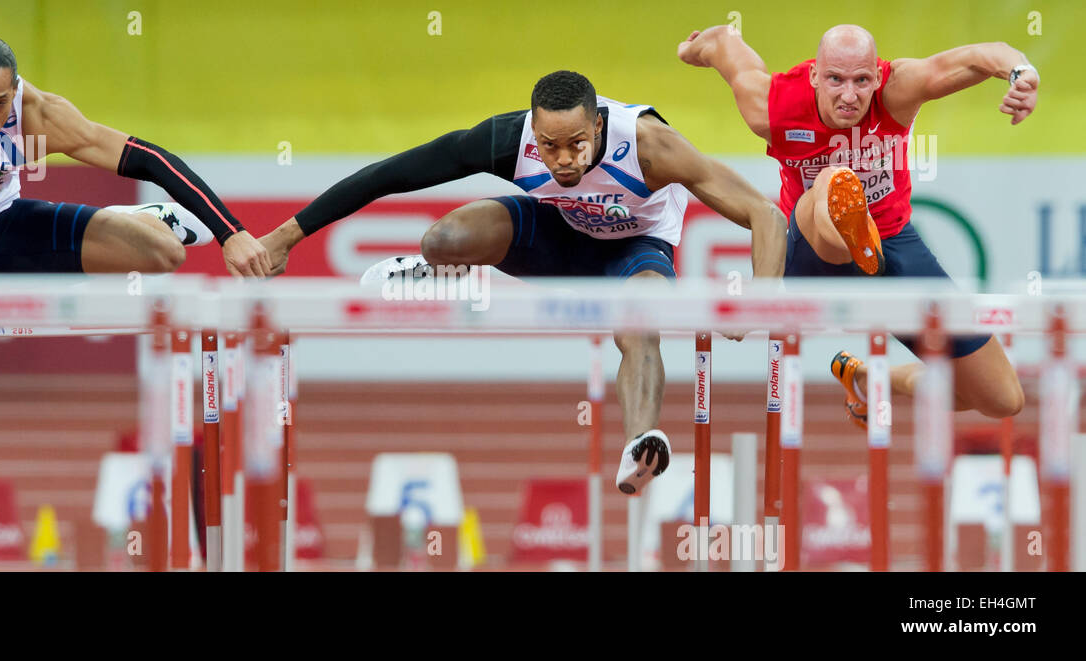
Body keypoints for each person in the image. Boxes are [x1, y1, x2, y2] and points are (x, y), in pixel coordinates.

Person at [258, 70, 787, 495]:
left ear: (598, 129)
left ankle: (637, 446)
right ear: (533, 130)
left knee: (640, 322)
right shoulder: (510, 139)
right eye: (549, 144)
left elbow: (764, 214)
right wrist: (286, 237)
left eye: (576, 145)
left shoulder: (651, 146)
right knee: (443, 238)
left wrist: (760, 304)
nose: (562, 159)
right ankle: (445, 275)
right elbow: (392, 174)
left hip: (635, 253)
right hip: (556, 234)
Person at [0, 36, 272, 436]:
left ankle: (130, 218)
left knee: (165, 255)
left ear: (14, 93)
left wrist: (230, 232)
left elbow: (147, 159)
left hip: (6, 225)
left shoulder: (37, 114)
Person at [678, 24, 1033, 426]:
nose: (850, 96)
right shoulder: (772, 106)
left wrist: (1020, 72)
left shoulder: (897, 90)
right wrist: (709, 45)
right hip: (811, 252)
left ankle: (872, 378)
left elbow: (981, 55)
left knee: (1002, 398)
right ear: (814, 76)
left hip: (892, 244)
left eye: (862, 81)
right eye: (835, 80)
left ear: (877, 77)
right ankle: (852, 228)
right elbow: (730, 55)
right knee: (832, 182)